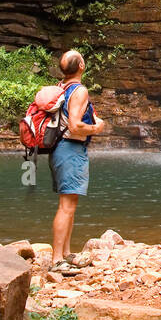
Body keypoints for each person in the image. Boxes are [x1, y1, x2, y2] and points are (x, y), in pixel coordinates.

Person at [49, 49, 104, 267]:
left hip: (59, 149)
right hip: (70, 149)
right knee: (66, 206)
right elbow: (74, 125)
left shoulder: (61, 87)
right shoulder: (79, 90)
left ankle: (66, 253)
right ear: (81, 66)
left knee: (69, 202)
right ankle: (56, 259)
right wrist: (96, 128)